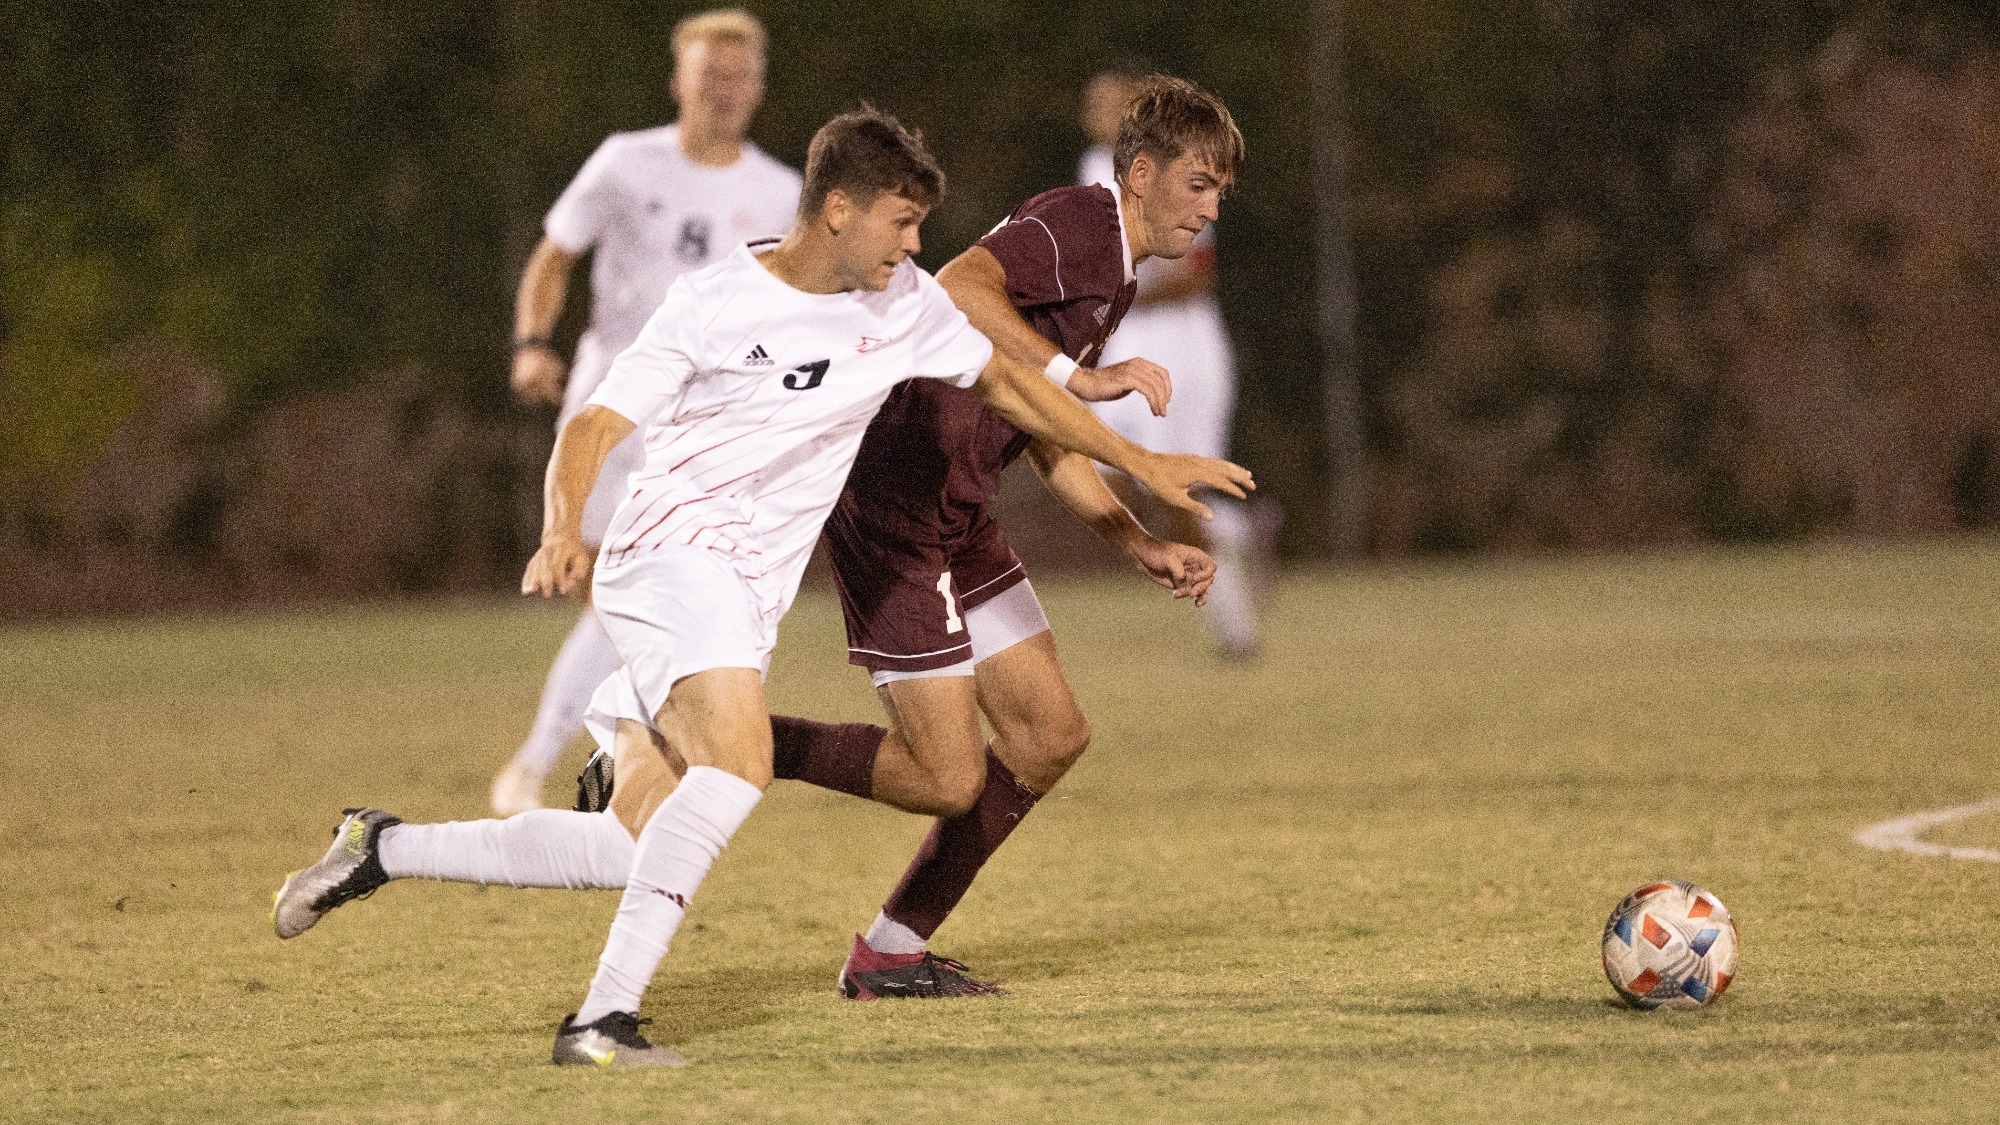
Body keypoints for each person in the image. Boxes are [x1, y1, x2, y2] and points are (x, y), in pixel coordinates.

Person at [274, 106, 1251, 1066]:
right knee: (736, 769)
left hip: (751, 587)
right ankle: (601, 1023)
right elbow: (595, 425)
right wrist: (562, 528)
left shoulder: (900, 302)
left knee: (630, 843)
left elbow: (1003, 387)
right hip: (668, 552)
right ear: (836, 210)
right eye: (900, 221)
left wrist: (1129, 488)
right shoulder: (714, 300)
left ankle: (380, 846)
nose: (916, 245)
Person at [492, 7, 802, 817]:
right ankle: (591, 762)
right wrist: (531, 341)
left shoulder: (779, 191)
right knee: (601, 589)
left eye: (738, 76)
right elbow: (555, 254)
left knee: (643, 597)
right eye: (710, 75)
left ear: (760, 88)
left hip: (700, 425)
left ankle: (548, 765)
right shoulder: (626, 163)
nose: (724, 91)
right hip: (609, 404)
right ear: (680, 81)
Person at [1079, 66, 1262, 661]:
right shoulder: (1091, 170)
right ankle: (1239, 539)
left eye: (1112, 103)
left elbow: (1192, 278)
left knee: (1187, 488)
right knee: (1091, 457)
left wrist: (1117, 294)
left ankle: (1234, 616)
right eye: (1095, 104)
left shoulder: (1183, 168)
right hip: (1128, 341)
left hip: (1183, 342)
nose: (1098, 113)